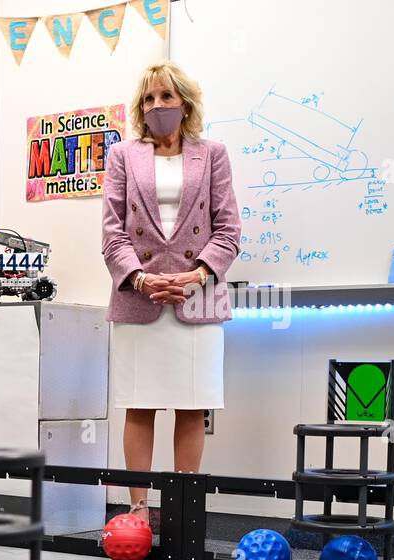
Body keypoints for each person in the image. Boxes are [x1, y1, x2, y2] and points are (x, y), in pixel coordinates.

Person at [101, 62, 241, 519]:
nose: (157, 105)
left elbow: (228, 230)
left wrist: (196, 275)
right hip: (138, 297)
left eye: (166, 97)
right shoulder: (123, 155)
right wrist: (140, 279)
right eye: (148, 99)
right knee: (139, 407)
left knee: (191, 406)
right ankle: (138, 510)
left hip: (196, 298)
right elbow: (112, 234)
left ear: (185, 103)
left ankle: (182, 514)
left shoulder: (213, 153)